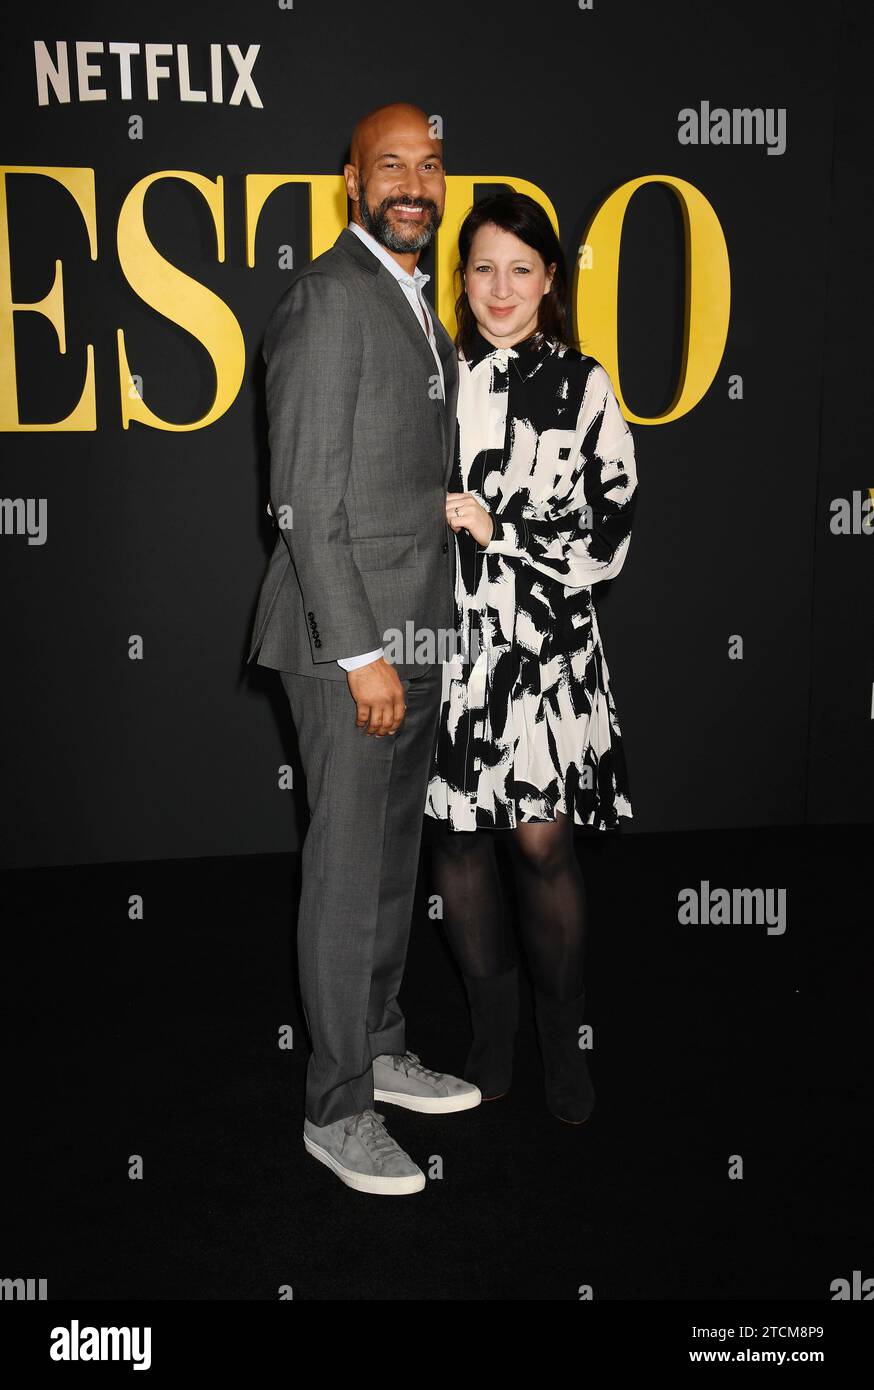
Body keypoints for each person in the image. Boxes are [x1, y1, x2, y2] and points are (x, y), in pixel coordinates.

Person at [248, 103, 481, 1197]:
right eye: (391, 166)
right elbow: (300, 499)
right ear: (352, 181)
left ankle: (380, 1044)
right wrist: (360, 655)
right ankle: (335, 1107)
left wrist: (442, 503)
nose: (413, 184)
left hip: (414, 626)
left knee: (392, 868)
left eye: (428, 167)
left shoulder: (410, 302)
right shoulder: (328, 299)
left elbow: (368, 469)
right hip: (352, 645)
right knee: (348, 879)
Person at [424, 191, 638, 1124]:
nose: (499, 288)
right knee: (460, 837)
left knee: (542, 840)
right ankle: (487, 1031)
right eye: (482, 268)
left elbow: (613, 533)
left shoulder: (585, 384)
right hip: (446, 641)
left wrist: (500, 526)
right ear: (458, 276)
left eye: (520, 269)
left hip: (545, 652)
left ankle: (564, 1037)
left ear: (550, 281)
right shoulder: (430, 375)